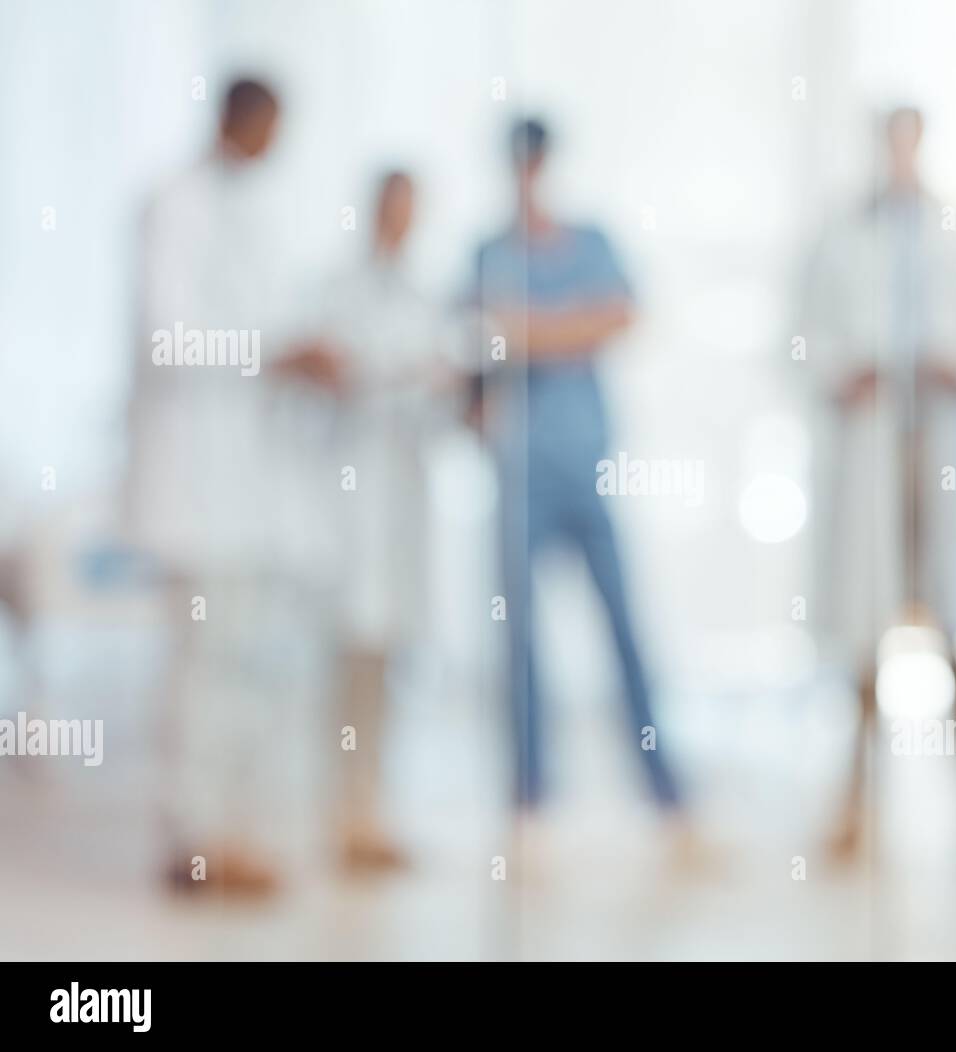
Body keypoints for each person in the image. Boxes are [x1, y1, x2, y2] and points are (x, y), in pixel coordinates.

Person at [126, 77, 344, 895]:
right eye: (269, 129)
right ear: (238, 119)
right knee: (200, 669)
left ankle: (228, 835)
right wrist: (278, 355)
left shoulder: (250, 210)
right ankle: (190, 841)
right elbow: (171, 339)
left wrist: (301, 355)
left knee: (243, 667)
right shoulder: (174, 203)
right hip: (192, 483)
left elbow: (265, 325)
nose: (274, 146)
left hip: (248, 489)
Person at [470, 118, 695, 863]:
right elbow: (478, 349)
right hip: (519, 475)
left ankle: (669, 800)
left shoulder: (591, 239)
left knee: (626, 635)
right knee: (522, 645)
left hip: (588, 470)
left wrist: (527, 330)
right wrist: (569, 327)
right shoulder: (485, 253)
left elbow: (621, 317)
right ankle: (531, 801)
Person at [799, 107, 956, 861]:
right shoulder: (842, 234)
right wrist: (841, 371)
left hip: (934, 446)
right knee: (866, 642)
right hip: (870, 444)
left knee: (952, 635)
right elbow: (805, 333)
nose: (900, 155)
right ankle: (854, 807)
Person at [316, 170, 463, 871]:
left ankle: (374, 813)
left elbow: (440, 402)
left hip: (404, 496)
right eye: (393, 208)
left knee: (389, 663)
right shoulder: (337, 290)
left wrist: (444, 390)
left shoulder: (427, 298)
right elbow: (329, 379)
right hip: (351, 496)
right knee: (348, 662)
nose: (402, 222)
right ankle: (341, 811)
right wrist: (393, 374)